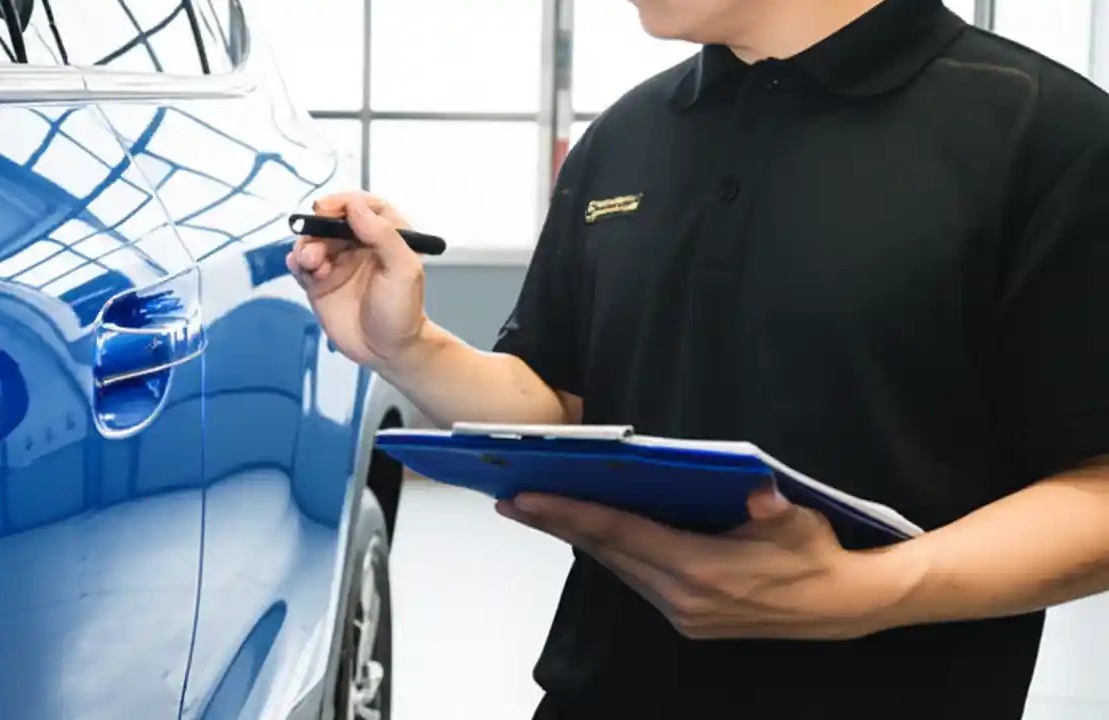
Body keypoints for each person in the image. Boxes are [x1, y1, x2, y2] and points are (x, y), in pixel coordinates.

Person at [288, 0, 1109, 716]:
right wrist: (408, 345)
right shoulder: (628, 136)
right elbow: (564, 407)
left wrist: (861, 595)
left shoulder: (1049, 138)